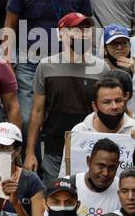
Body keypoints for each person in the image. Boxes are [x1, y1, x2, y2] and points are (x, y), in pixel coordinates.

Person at [25, 11, 105, 181]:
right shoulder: (46, 66)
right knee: (54, 199)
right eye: (76, 30)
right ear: (62, 34)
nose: (82, 35)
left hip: (89, 150)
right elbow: (37, 112)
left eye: (86, 30)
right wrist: (30, 152)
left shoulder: (102, 69)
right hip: (54, 149)